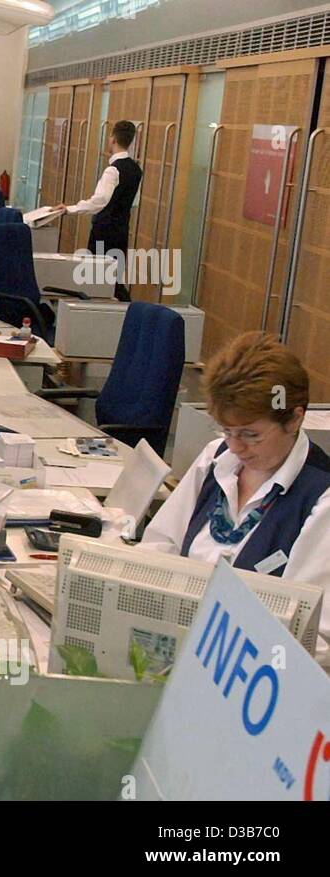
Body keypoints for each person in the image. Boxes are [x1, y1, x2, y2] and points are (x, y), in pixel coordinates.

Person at [139, 332, 330, 665]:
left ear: (295, 419)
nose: (237, 446)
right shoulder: (218, 458)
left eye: (251, 434)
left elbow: (314, 635)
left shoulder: (319, 497)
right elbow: (159, 546)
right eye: (227, 430)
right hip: (176, 648)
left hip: (249, 672)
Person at [55, 119, 142, 302]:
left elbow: (99, 202)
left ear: (112, 139)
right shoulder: (136, 170)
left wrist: (69, 209)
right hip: (121, 231)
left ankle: (113, 313)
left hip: (104, 232)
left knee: (96, 279)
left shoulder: (113, 171)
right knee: (113, 278)